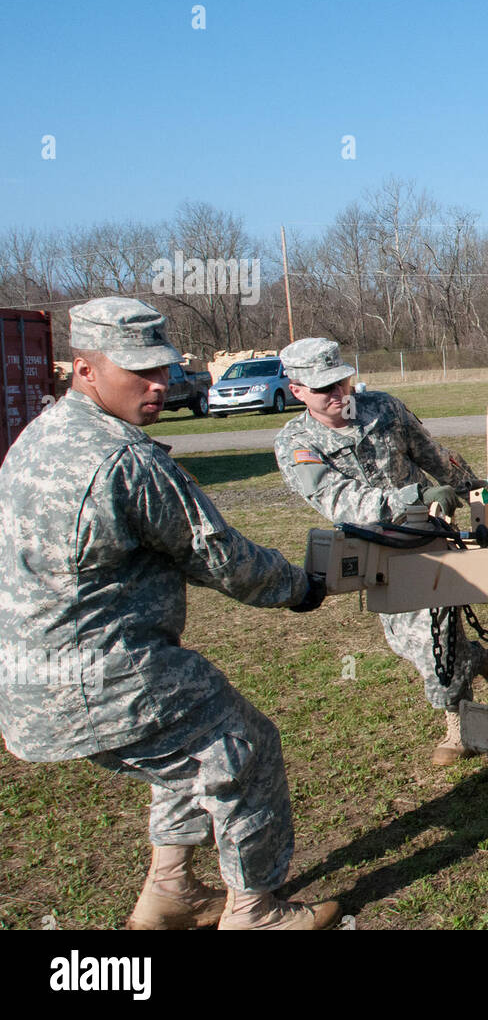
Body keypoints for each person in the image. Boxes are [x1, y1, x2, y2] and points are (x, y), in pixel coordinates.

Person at [0, 298, 338, 930]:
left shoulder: (40, 435)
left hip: (30, 681)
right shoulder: (125, 459)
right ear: (84, 368)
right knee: (242, 744)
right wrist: (300, 587)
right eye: (138, 373)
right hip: (99, 676)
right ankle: (256, 911)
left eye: (163, 370)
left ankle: (170, 894)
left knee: (184, 753)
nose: (159, 386)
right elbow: (219, 555)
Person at [273, 338, 488, 766]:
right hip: (375, 549)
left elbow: (436, 455)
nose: (339, 395)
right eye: (325, 390)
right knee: (410, 644)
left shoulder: (383, 408)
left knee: (433, 637)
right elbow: (335, 499)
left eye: (342, 382)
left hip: (431, 535)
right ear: (297, 390)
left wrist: (480, 494)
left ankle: (461, 728)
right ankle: (481, 660)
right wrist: (412, 495)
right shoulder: (295, 443)